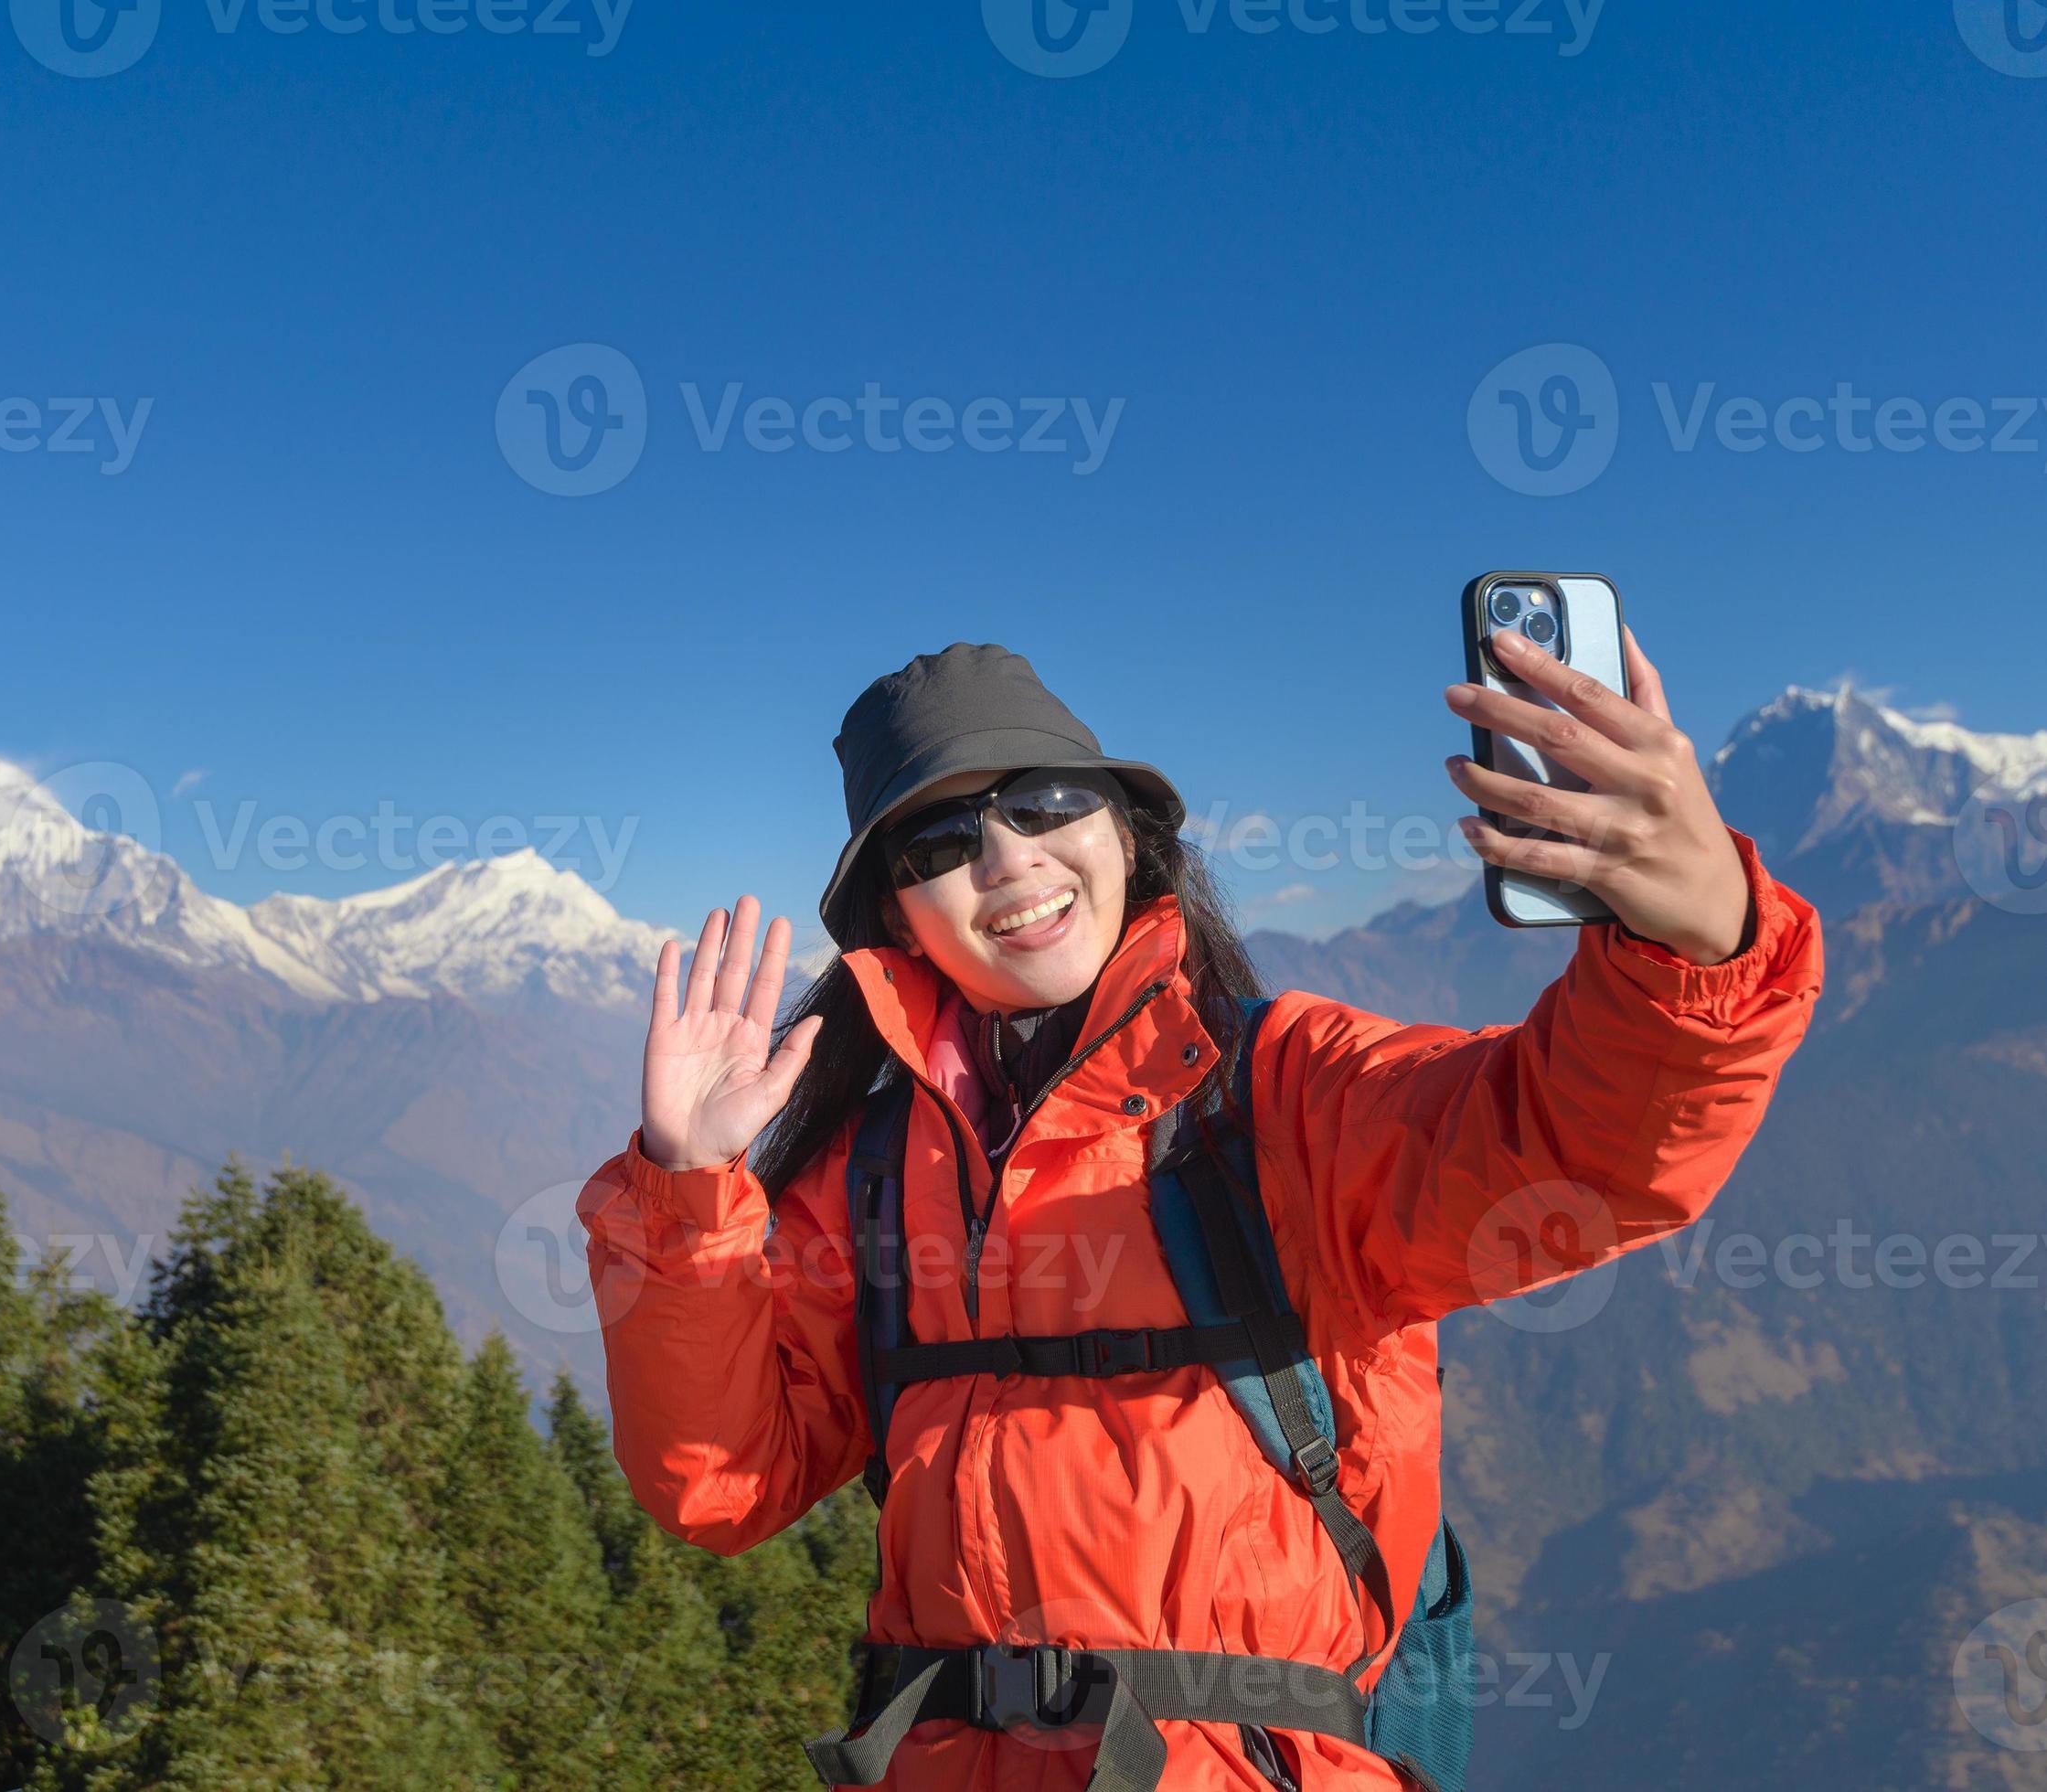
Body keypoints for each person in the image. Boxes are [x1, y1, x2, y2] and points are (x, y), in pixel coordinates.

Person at [573, 638, 1825, 1791]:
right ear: (897, 917)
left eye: (1044, 801)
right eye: (940, 843)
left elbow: (1570, 1156)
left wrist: (1696, 942)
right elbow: (721, 1486)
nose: (1006, 856)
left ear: (1129, 838)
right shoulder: (865, 1173)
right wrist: (687, 1191)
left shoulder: (1283, 1097)